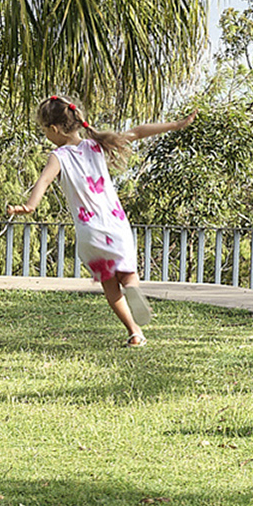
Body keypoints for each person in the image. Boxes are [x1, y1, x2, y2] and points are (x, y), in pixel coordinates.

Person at [11, 95, 186, 347]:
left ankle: (134, 332)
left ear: (54, 129)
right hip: (116, 225)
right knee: (127, 275)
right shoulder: (97, 145)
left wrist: (29, 206)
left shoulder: (58, 156)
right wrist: (174, 125)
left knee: (110, 287)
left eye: (44, 130)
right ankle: (133, 288)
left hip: (89, 231)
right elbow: (137, 132)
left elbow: (44, 182)